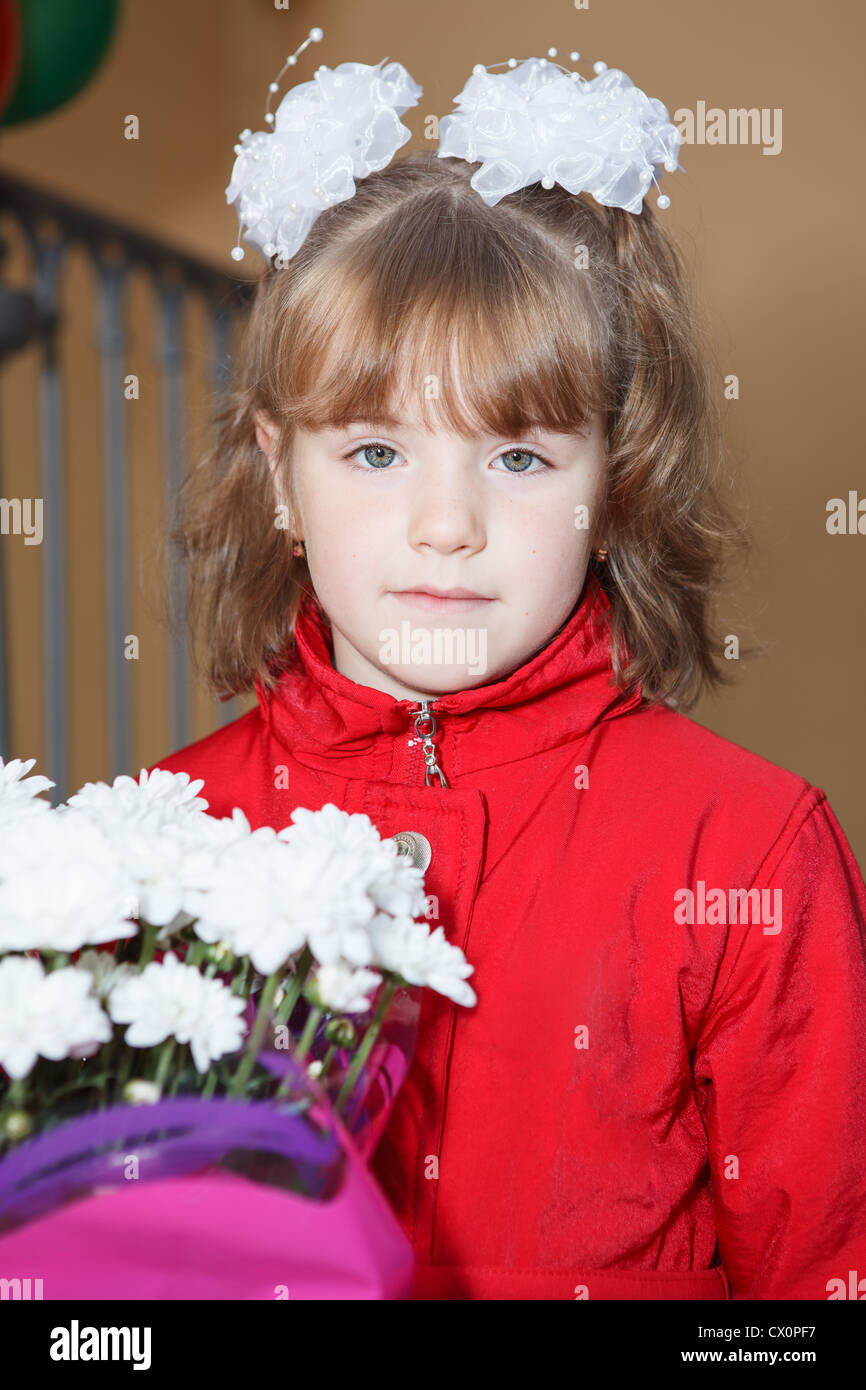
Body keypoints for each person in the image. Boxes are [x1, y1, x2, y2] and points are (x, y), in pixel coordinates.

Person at [146, 38, 866, 1300]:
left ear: (613, 481)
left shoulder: (748, 855)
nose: (445, 525)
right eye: (374, 452)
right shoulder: (159, 841)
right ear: (278, 474)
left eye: (519, 457)